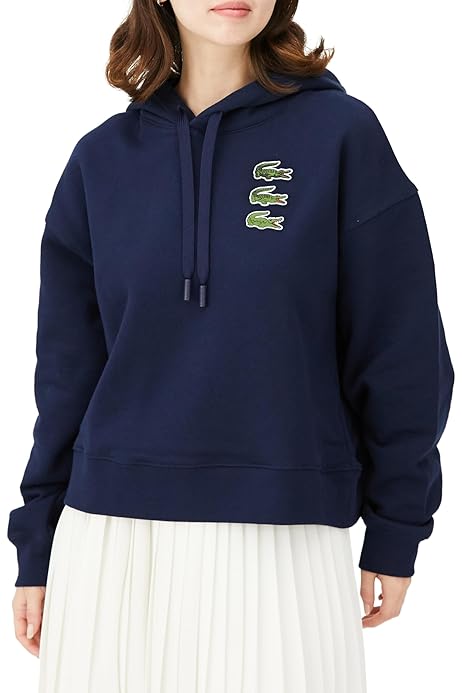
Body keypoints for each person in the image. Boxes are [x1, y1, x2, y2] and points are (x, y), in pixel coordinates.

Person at [8, 1, 455, 691]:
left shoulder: (342, 136)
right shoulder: (101, 160)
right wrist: (37, 545)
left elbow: (401, 350)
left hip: (287, 537)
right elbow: (67, 375)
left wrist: (398, 526)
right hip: (109, 544)